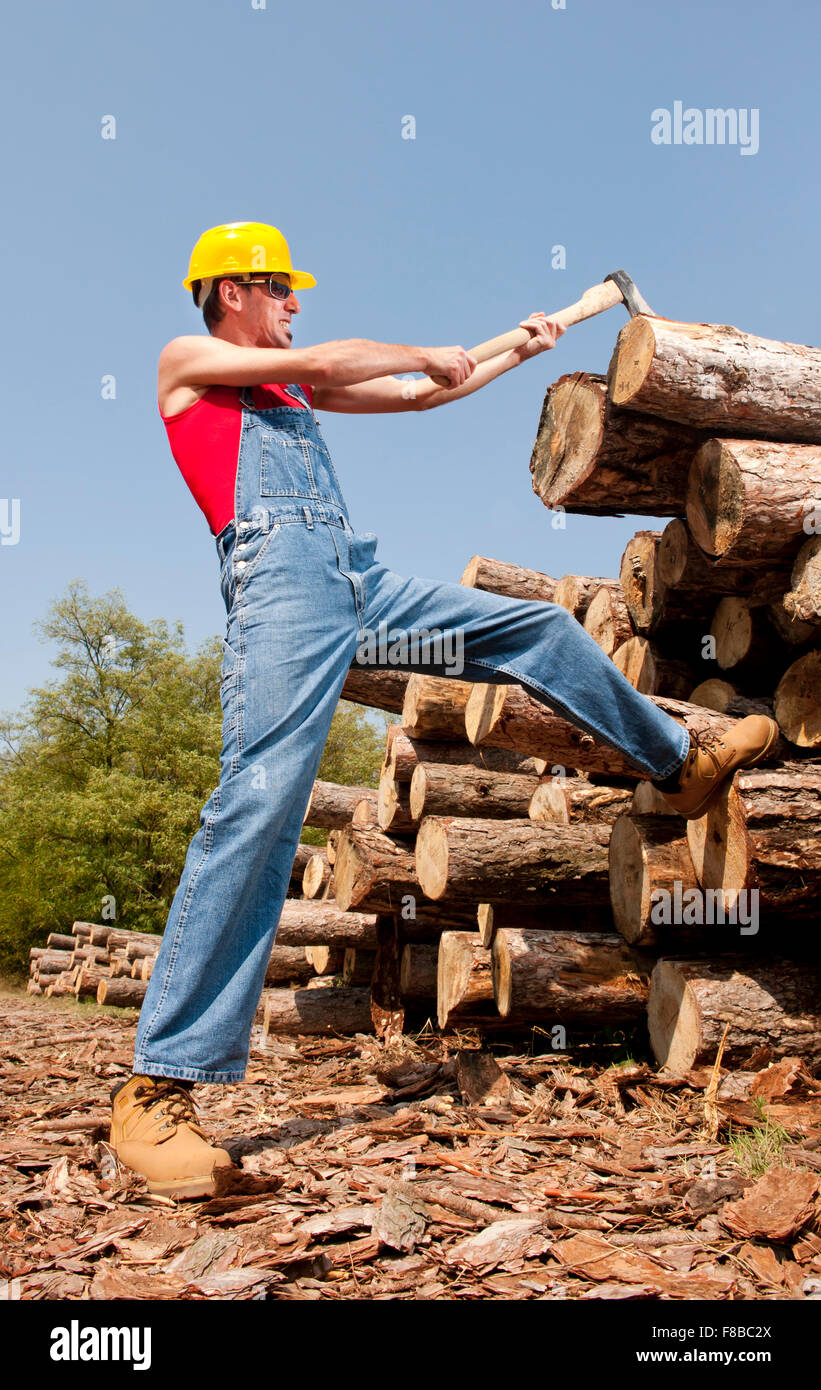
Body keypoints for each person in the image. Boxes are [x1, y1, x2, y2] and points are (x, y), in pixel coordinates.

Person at [109, 222, 778, 1197]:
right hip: (283, 594)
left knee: (538, 635)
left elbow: (425, 389)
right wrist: (419, 343)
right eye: (279, 287)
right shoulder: (189, 363)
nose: (294, 299)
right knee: (259, 800)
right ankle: (156, 1092)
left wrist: (515, 344)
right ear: (230, 290)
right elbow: (357, 358)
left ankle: (672, 760)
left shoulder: (296, 388)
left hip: (356, 591)